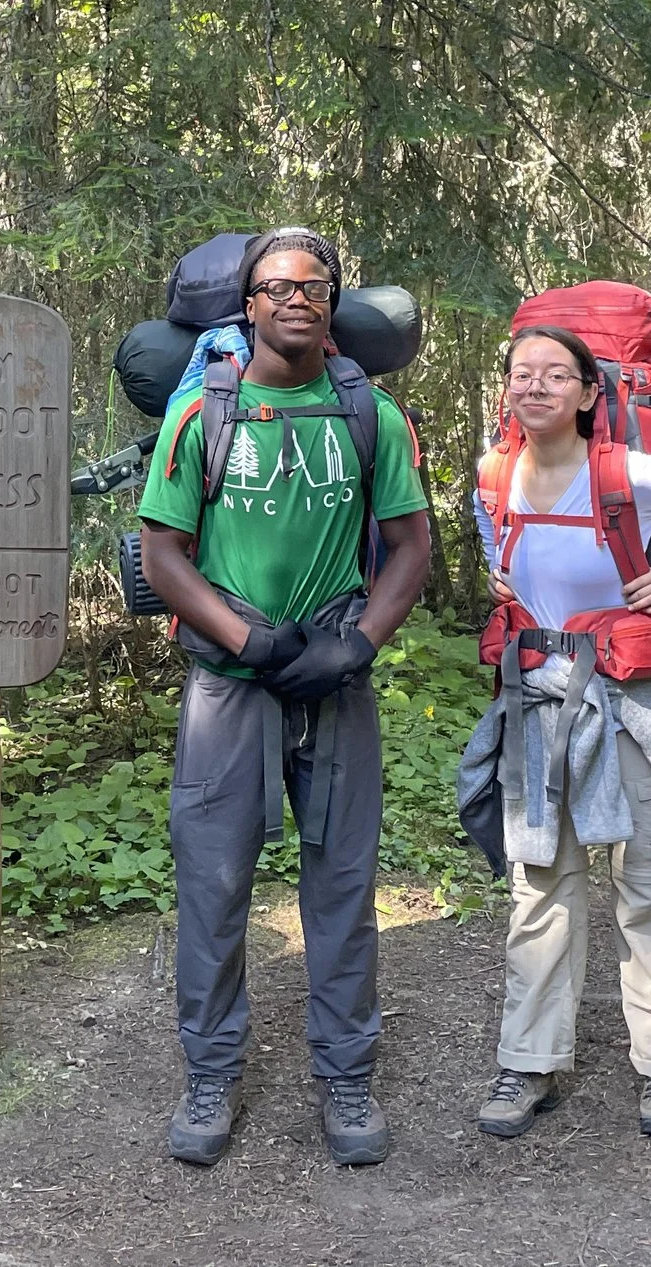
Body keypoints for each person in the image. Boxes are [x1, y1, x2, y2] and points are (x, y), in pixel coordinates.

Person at [135, 227, 432, 1168]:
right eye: (278, 285)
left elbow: (412, 543)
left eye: (316, 285)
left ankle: (347, 1080)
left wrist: (357, 644)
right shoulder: (202, 417)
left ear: (333, 303)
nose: (298, 298)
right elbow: (162, 556)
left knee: (342, 887)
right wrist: (245, 638)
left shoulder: (369, 415)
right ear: (249, 304)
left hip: (335, 685)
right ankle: (210, 1073)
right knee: (214, 884)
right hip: (228, 687)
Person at [466, 324, 651, 1142]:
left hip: (632, 699)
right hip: (541, 698)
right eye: (522, 373)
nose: (536, 386)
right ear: (508, 390)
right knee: (540, 883)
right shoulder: (494, 474)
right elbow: (500, 551)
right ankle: (529, 1059)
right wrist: (499, 568)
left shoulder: (624, 470)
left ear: (592, 392)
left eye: (556, 374)